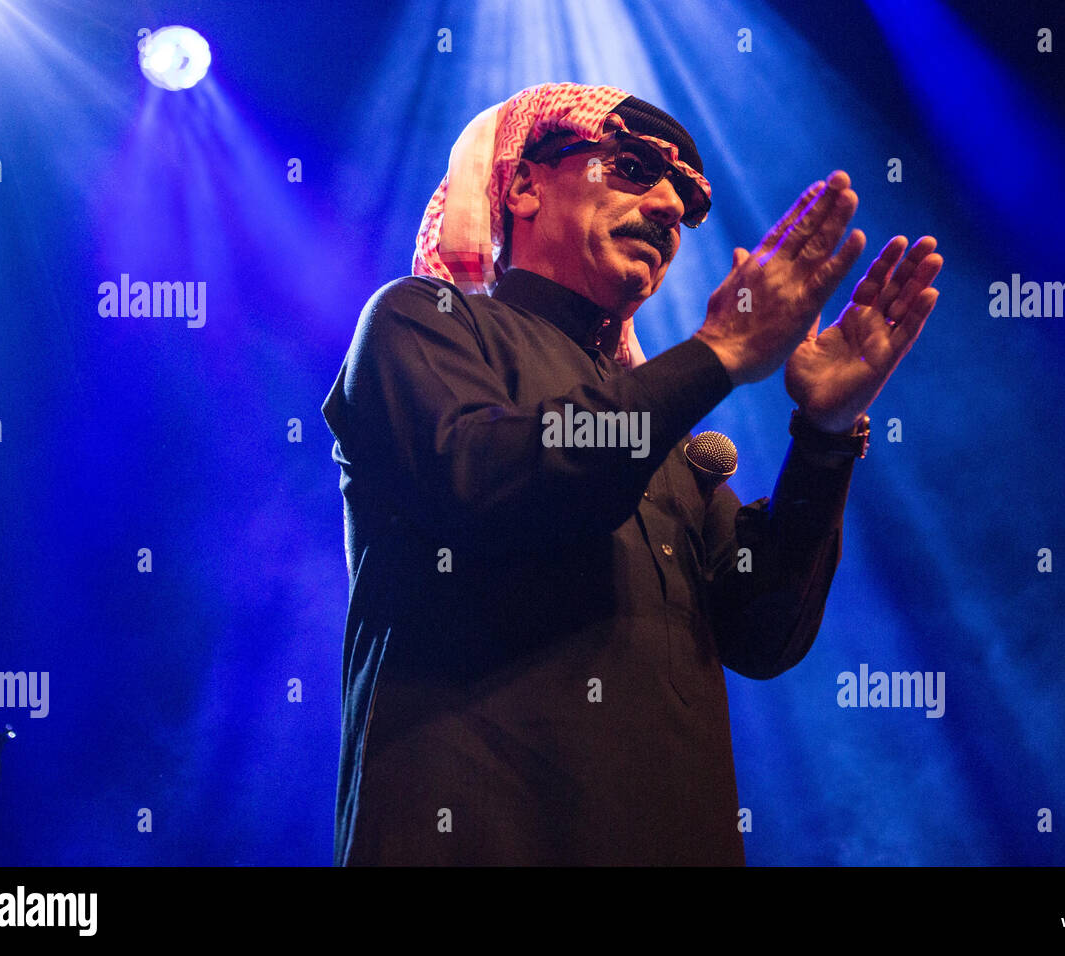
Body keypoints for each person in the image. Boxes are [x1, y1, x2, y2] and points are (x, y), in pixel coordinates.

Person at [321, 83, 942, 865]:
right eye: (634, 167)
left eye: (684, 198)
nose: (669, 209)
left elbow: (763, 635)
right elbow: (485, 482)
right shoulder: (422, 320)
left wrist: (822, 437)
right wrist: (714, 356)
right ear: (522, 185)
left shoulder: (665, 439)